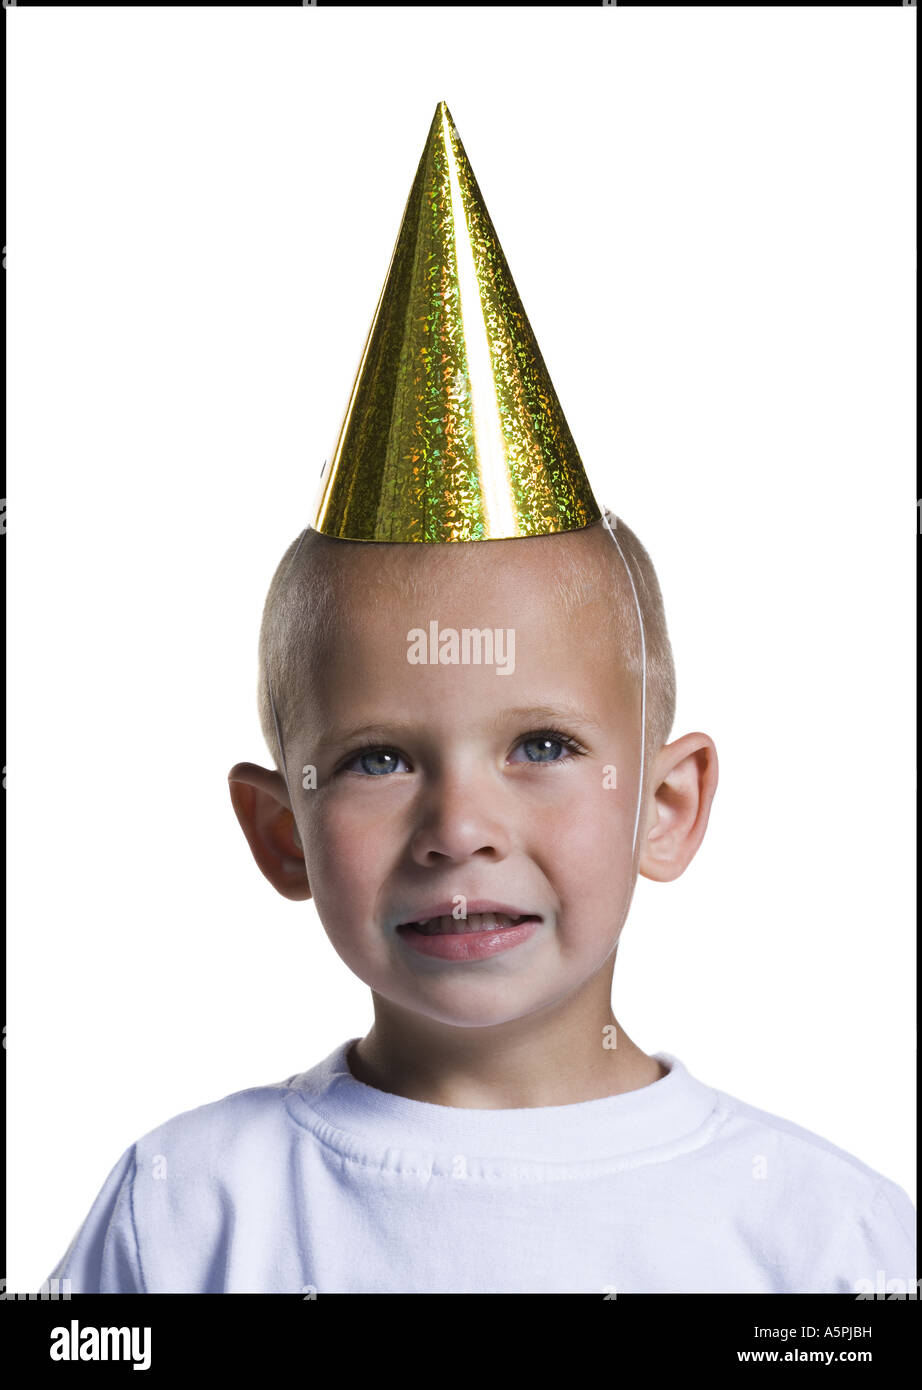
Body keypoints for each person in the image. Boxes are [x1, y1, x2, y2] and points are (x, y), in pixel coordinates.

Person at [46, 102, 915, 1295]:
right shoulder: (187, 1210)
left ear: (663, 803)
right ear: (279, 830)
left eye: (542, 743)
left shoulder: (828, 1244)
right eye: (378, 759)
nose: (460, 826)